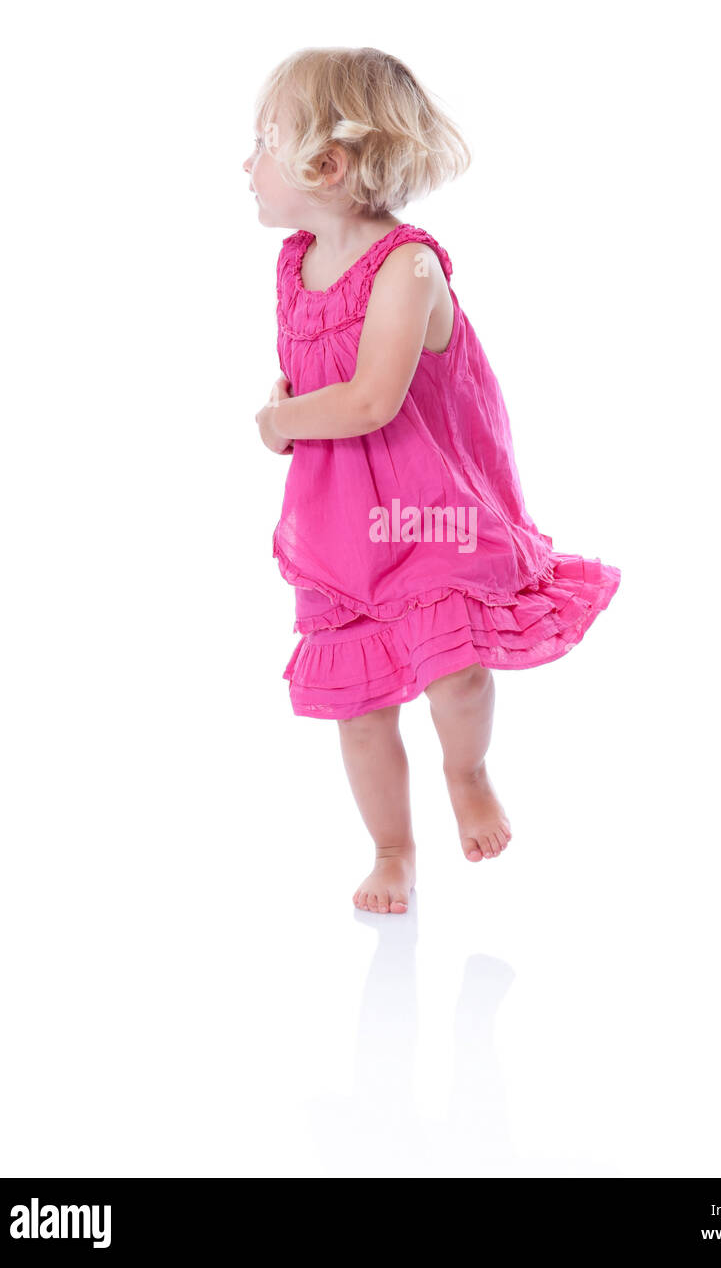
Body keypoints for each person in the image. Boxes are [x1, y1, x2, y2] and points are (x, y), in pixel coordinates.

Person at [245, 47, 621, 916]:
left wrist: (275, 421)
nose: (246, 164)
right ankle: (392, 847)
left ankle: (469, 771)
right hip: (342, 527)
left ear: (327, 165)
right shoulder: (292, 265)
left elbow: (372, 398)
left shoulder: (407, 267)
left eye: (264, 142)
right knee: (361, 706)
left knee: (456, 671)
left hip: (427, 514)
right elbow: (313, 384)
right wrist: (289, 411)